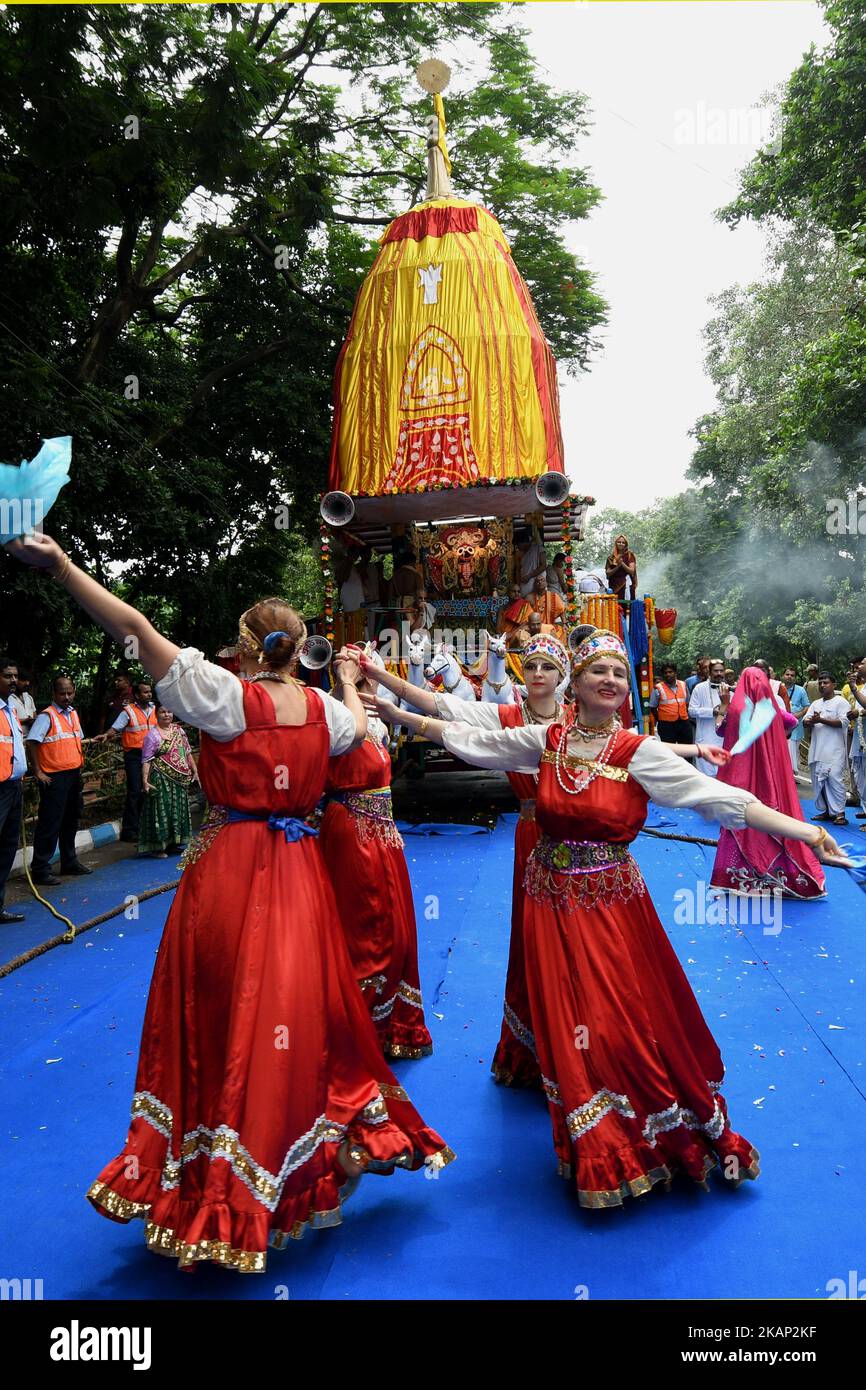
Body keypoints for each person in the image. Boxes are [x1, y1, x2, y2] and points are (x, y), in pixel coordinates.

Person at [4, 530, 453, 1272]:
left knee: (220, 1011)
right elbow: (363, 732)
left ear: (244, 649)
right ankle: (304, 1167)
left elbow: (132, 627)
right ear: (298, 646)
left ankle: (222, 1177)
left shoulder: (221, 695)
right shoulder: (323, 712)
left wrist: (59, 565)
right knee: (298, 1009)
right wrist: (344, 682)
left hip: (230, 871)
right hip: (300, 870)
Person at [364, 628, 850, 1209]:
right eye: (600, 671)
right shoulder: (548, 738)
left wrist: (809, 833)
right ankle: (595, 1145)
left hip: (611, 906)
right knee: (564, 1016)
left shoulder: (637, 753)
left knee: (615, 1015)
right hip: (546, 898)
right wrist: (398, 712)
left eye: (620, 675)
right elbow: (472, 740)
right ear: (580, 680)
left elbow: (722, 800)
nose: (612, 682)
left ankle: (650, 1130)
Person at [320, 648, 432, 1060]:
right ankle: (357, 1026)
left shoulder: (379, 722)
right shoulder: (334, 714)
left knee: (395, 926)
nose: (366, 673)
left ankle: (391, 1020)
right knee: (365, 927)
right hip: (352, 834)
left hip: (383, 835)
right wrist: (346, 682)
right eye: (360, 668)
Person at [711, 667, 825, 898]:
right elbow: (792, 721)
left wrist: (724, 705)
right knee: (776, 820)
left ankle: (739, 880)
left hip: (740, 779)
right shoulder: (772, 710)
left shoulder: (736, 709)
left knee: (741, 821)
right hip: (770, 778)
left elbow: (720, 730)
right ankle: (783, 879)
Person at [26, 674, 92, 886]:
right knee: (50, 823)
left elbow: (76, 740)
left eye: (70, 692)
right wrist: (37, 771)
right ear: (54, 694)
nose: (66, 697)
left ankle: (69, 861)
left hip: (73, 774)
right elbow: (32, 742)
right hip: (54, 777)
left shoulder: (73, 714)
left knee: (71, 819)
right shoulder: (47, 716)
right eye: (62, 693)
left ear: (74, 692)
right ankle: (40, 869)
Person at [97, 680, 158, 842]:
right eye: (145, 692)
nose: (149, 694)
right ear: (137, 695)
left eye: (150, 691)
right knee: (135, 791)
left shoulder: (153, 709)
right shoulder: (128, 711)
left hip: (152, 755)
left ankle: (146, 826)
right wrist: (105, 735)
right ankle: (130, 831)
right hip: (134, 755)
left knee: (149, 790)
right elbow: (115, 728)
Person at [139, 706, 200, 858]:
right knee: (161, 811)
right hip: (160, 779)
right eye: (162, 712)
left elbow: (186, 752)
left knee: (177, 810)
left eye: (169, 711)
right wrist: (145, 781)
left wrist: (195, 770)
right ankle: (158, 848)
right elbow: (146, 760)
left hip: (179, 781)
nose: (167, 714)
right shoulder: (152, 736)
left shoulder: (179, 731)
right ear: (156, 715)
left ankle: (173, 844)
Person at [803, 672, 851, 828]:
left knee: (834, 780)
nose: (822, 685)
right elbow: (806, 721)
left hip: (834, 749)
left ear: (834, 685)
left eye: (826, 682)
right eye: (820, 683)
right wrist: (809, 722)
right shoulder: (816, 703)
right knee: (818, 781)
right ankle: (826, 811)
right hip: (817, 748)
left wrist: (820, 720)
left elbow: (843, 723)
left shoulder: (841, 702)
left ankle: (840, 813)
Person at [0, 657, 27, 923]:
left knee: (7, 848)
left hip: (13, 785)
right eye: (7, 676)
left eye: (15, 676)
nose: (13, 681)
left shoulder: (11, 709)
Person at [688, 659, 731, 776]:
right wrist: (712, 712)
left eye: (721, 671)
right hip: (705, 738)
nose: (719, 674)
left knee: (724, 776)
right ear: (709, 672)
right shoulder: (699, 688)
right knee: (706, 777)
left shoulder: (729, 689)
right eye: (716, 671)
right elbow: (691, 711)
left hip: (723, 740)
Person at [649, 663, 692, 749]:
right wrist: (661, 719)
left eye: (670, 672)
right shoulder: (658, 688)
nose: (668, 674)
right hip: (666, 726)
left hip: (684, 723)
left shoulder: (683, 685)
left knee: (687, 750)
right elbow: (653, 707)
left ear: (675, 673)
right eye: (665, 673)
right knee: (669, 752)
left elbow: (687, 703)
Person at [846, 658, 866, 828]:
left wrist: (853, 687)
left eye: (863, 663)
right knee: (860, 774)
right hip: (861, 736)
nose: (859, 666)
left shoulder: (858, 687)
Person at [781, 666, 811, 778]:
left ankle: (792, 773)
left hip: (795, 726)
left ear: (795, 678)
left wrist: (798, 715)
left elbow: (807, 706)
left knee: (793, 751)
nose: (789, 677)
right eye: (787, 674)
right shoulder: (778, 688)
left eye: (792, 675)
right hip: (781, 725)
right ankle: (788, 774)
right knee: (786, 749)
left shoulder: (800, 690)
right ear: (783, 676)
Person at [514, 528, 547, 598]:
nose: (517, 547)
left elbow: (544, 566)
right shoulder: (519, 553)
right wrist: (518, 584)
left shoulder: (538, 548)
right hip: (524, 586)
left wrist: (529, 576)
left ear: (523, 542)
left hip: (537, 585)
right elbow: (518, 570)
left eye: (518, 544)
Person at [604, 534, 637, 601]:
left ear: (626, 544)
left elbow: (632, 571)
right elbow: (608, 573)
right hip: (613, 585)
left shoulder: (629, 555)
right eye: (619, 542)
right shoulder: (611, 557)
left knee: (626, 606)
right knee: (613, 606)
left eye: (623, 542)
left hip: (626, 584)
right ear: (616, 543)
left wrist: (622, 563)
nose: (621, 544)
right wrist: (618, 566)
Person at [8, 668, 36, 733]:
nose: (27, 683)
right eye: (23, 680)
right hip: (16, 739)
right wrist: (25, 721)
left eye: (28, 681)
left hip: (30, 738)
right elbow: (6, 720)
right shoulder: (8, 699)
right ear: (16, 680)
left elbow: (34, 714)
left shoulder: (29, 697)